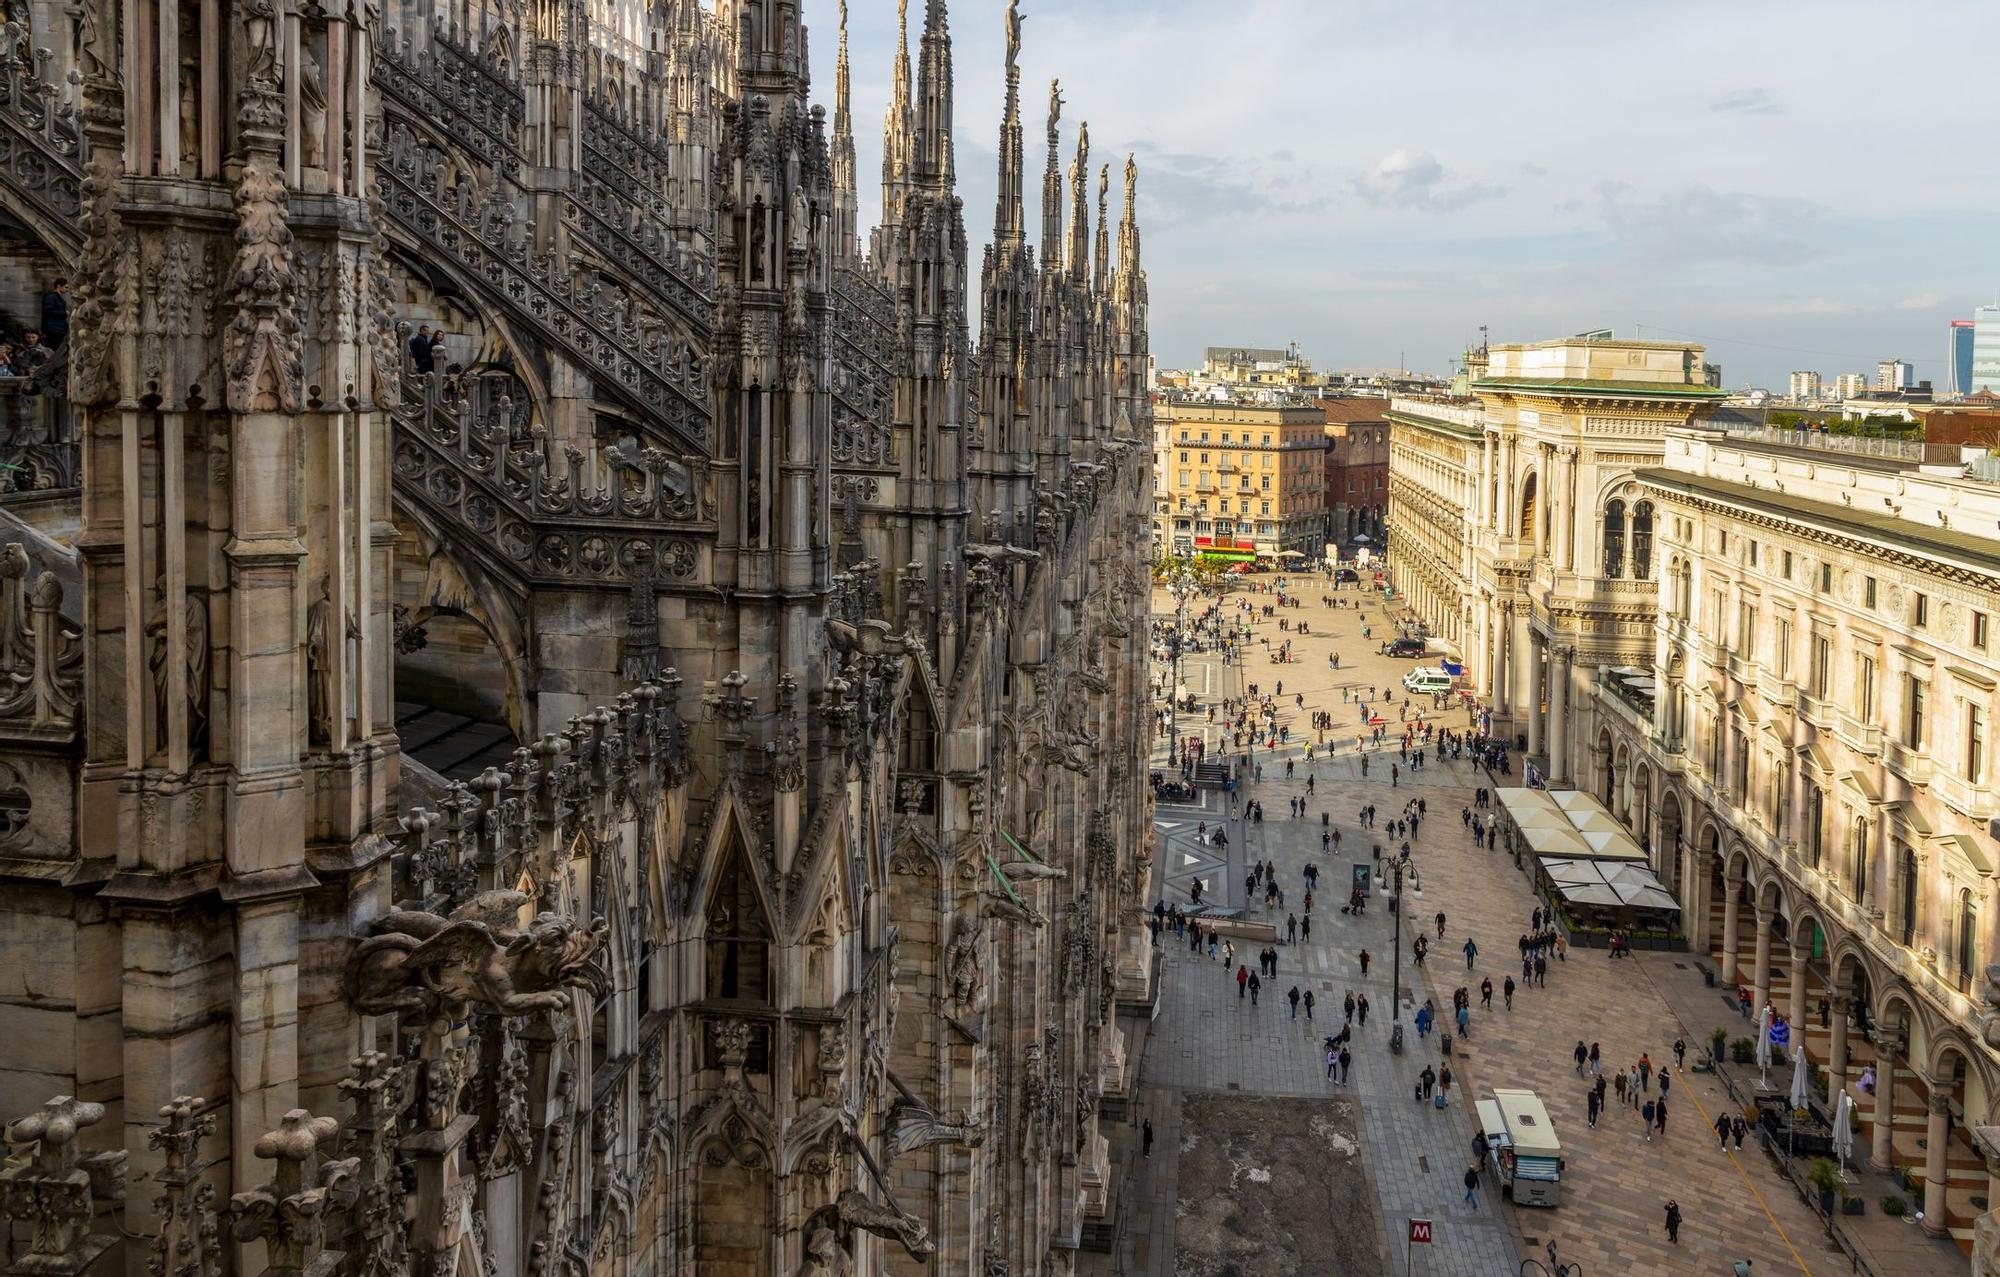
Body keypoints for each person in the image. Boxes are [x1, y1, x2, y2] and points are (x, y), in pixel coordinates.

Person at [40, 278, 67, 348]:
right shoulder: (51, 297)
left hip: (58, 329)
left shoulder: (57, 297)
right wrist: (64, 313)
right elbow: (48, 312)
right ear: (59, 286)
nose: (67, 290)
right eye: (65, 287)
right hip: (53, 330)